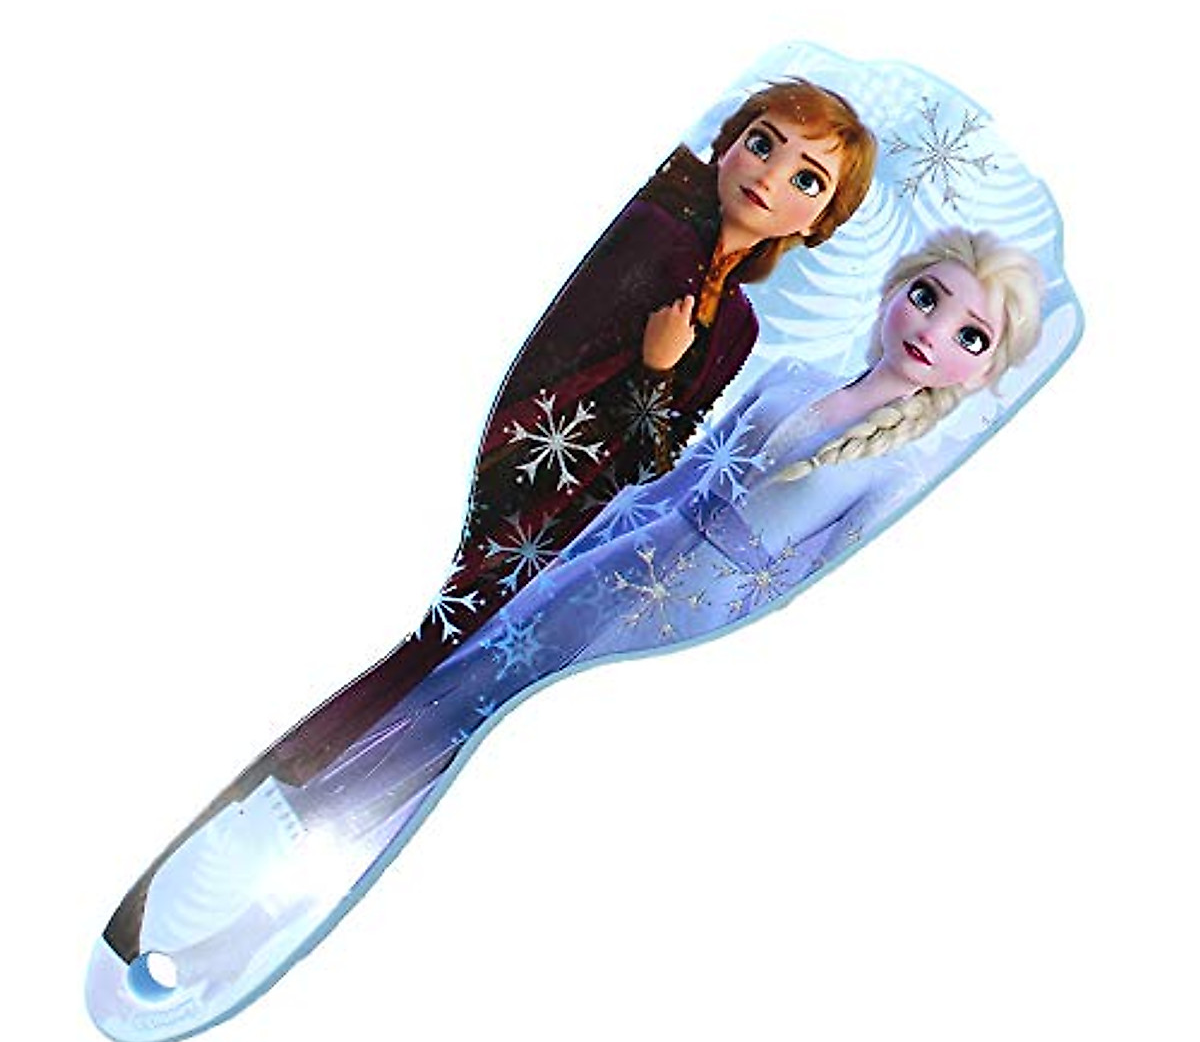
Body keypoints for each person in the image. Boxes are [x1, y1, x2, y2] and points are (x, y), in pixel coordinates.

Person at [124, 228, 1044, 1000]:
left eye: (972, 336)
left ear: (986, 373)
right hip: (611, 565)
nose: (934, 332)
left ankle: (271, 900)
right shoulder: (793, 376)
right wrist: (582, 543)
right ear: (894, 289)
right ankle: (278, 852)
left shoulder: (897, 473)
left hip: (679, 631)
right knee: (465, 689)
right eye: (927, 297)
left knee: (508, 752)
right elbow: (682, 476)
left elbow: (812, 591)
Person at [100, 77, 877, 967]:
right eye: (764, 142)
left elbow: (660, 454)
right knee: (403, 664)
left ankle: (233, 881)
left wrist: (662, 370)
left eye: (808, 178)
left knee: (422, 683)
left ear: (817, 224)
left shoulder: (734, 324)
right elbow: (548, 363)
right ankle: (197, 867)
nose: (771, 174)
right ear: (730, 142)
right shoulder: (652, 233)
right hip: (509, 491)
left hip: (567, 529)